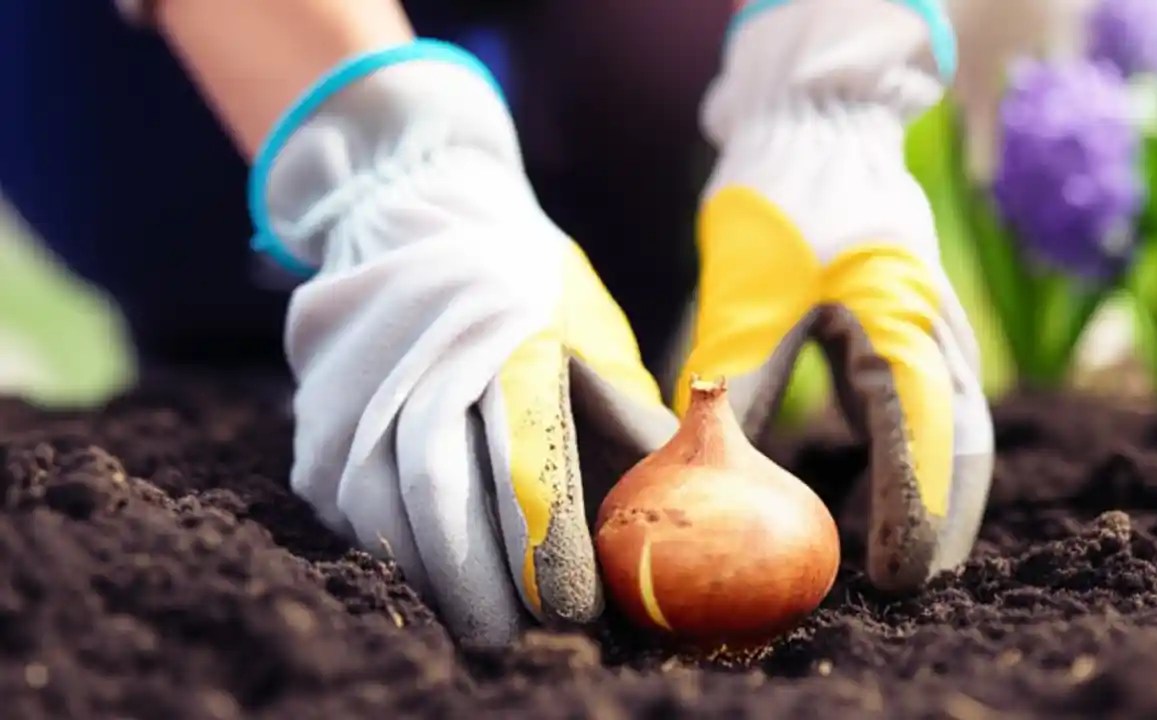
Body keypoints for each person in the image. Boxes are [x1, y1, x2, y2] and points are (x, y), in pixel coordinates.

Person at [0, 0, 993, 648]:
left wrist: (821, 79)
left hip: (619, 101)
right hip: (182, 94)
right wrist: (392, 159)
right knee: (223, 343)